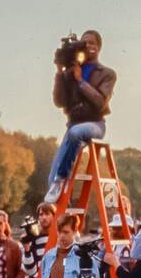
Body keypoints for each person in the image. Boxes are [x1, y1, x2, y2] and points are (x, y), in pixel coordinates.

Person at [46, 29, 115, 204]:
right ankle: (64, 216)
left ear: (99, 47)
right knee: (50, 179)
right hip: (73, 126)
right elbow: (59, 101)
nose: (88, 45)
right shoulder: (71, 71)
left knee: (76, 133)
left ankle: (62, 178)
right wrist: (60, 72)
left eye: (92, 42)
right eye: (85, 42)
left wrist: (80, 81)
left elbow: (100, 102)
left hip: (95, 125)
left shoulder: (107, 73)